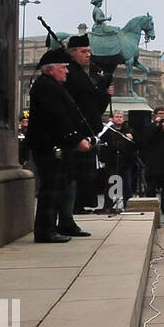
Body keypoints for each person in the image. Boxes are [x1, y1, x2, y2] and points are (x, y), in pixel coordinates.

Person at [26, 48, 94, 242]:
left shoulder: (52, 85)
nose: (67, 71)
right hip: (48, 145)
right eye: (63, 67)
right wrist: (75, 139)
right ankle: (45, 230)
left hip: (56, 145)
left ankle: (61, 224)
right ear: (51, 69)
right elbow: (58, 117)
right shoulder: (46, 86)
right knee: (51, 188)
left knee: (61, 184)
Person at [61, 33, 109, 232]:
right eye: (84, 51)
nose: (88, 55)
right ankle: (67, 217)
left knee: (80, 176)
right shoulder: (70, 73)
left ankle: (70, 217)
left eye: (89, 51)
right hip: (75, 134)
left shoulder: (81, 73)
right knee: (71, 178)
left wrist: (104, 92)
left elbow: (93, 106)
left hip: (86, 132)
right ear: (72, 53)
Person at [138, 106, 164, 214]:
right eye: (160, 113)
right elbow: (147, 139)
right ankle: (151, 207)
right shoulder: (150, 126)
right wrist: (157, 126)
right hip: (153, 161)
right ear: (155, 115)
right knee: (151, 187)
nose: (162, 116)